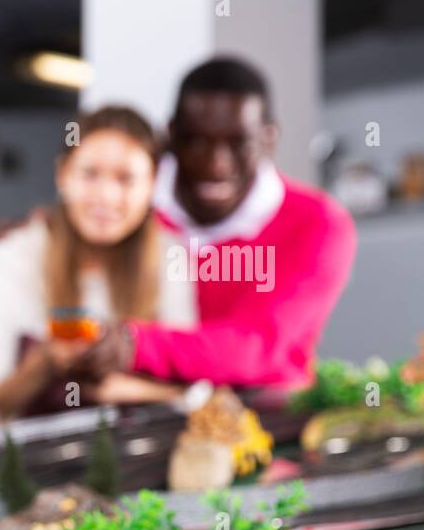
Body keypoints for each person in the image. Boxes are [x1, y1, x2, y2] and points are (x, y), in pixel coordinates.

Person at [80, 57, 357, 389]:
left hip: (267, 422)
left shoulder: (318, 224)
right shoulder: (130, 208)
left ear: (269, 138)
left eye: (238, 143)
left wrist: (132, 344)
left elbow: (255, 346)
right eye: (197, 141)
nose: (215, 165)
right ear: (172, 136)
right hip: (136, 415)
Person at [0, 106, 197, 424]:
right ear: (63, 175)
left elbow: (196, 392)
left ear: (152, 184)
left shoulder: (171, 256)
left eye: (126, 178)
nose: (105, 196)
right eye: (90, 174)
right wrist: (43, 362)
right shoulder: (10, 259)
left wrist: (118, 389)